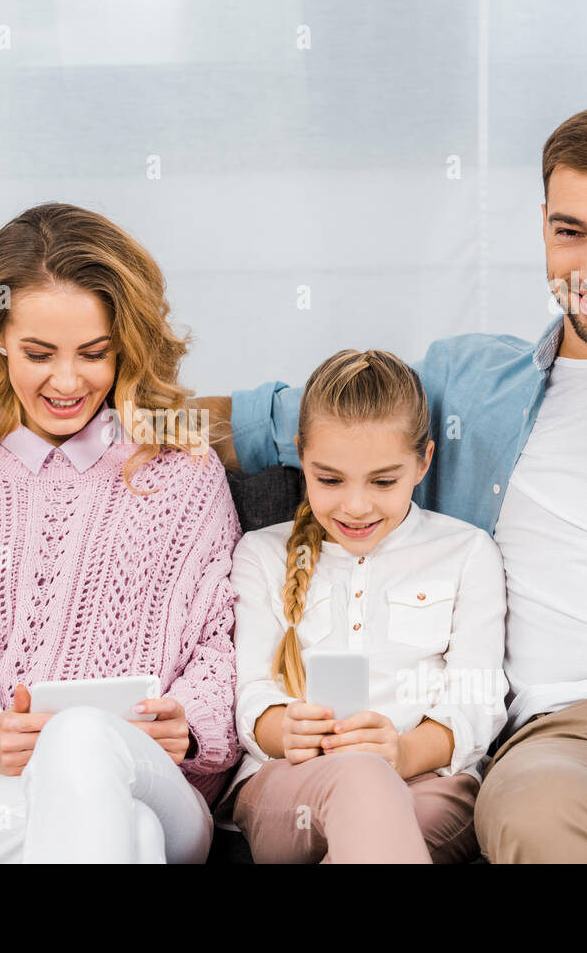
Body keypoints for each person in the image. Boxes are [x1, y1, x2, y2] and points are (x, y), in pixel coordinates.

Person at [200, 103, 587, 862]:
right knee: (528, 813)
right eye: (569, 231)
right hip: (565, 736)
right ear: (543, 224)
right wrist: (103, 414)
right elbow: (283, 419)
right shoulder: (466, 382)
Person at [0, 202, 241, 863]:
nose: (68, 381)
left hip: (157, 776)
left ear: (125, 345)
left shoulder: (186, 472)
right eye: (39, 353)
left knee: (82, 740)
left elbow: (223, 636)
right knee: (133, 836)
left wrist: (189, 726)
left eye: (95, 353)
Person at [225, 349, 507, 863]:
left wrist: (401, 753)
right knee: (364, 789)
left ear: (423, 461)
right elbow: (249, 692)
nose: (356, 507)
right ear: (301, 458)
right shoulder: (262, 554)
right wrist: (283, 728)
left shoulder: (467, 553)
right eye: (330, 480)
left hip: (428, 784)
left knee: (378, 818)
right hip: (290, 785)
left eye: (383, 481)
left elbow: (478, 696)